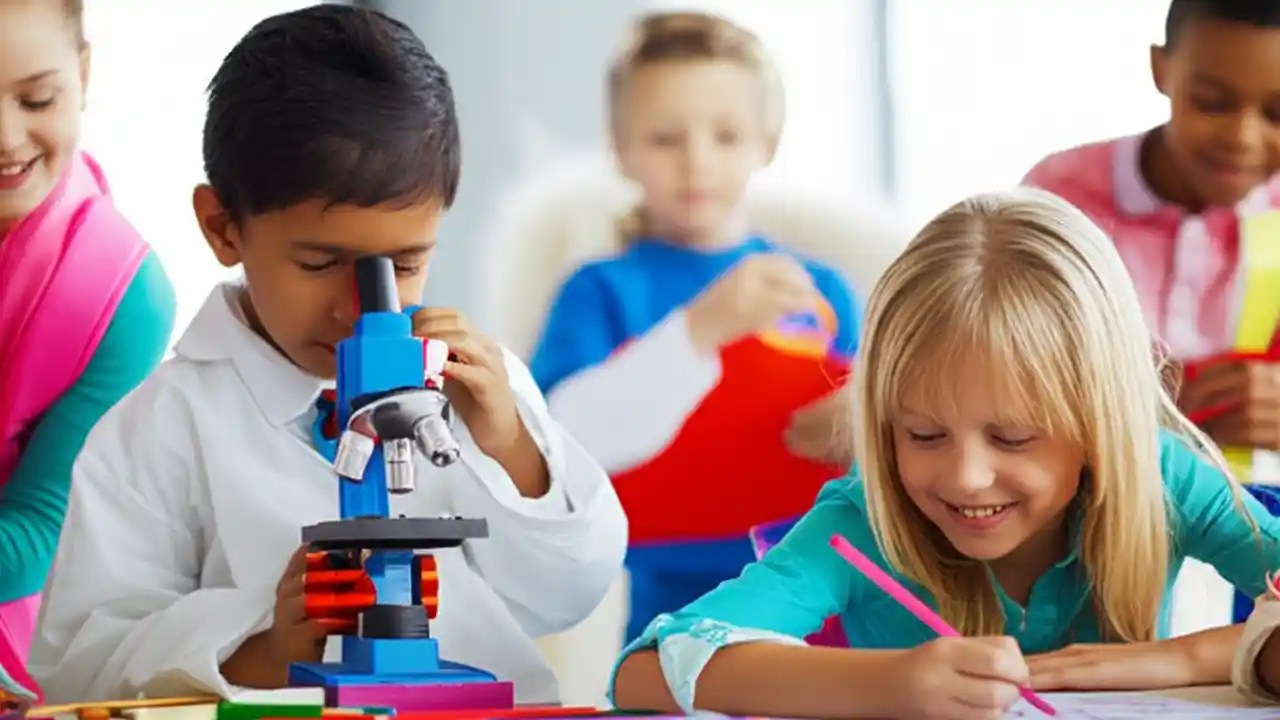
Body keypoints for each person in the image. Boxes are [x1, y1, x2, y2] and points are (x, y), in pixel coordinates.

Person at [28, 4, 626, 704]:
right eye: (319, 264)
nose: (360, 305)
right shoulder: (160, 428)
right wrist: (266, 646)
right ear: (223, 228)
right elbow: (81, 663)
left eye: (405, 264)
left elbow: (571, 592)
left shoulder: (477, 393)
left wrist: (510, 448)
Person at [608, 188, 1280, 720]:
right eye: (924, 436)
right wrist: (891, 685)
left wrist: (1180, 660)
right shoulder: (863, 520)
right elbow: (643, 673)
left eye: (1012, 437)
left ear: (1100, 425)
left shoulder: (1158, 477)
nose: (966, 476)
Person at [527, 11, 863, 643]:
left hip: (822, 595)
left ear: (768, 141)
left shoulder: (822, 289)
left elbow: (894, 436)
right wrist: (698, 329)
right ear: (620, 146)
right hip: (670, 607)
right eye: (664, 138)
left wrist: (857, 420)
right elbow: (555, 445)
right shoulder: (598, 290)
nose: (697, 162)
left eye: (726, 135)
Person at [1022, 0, 1280, 481]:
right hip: (1094, 497)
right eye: (1211, 101)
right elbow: (1010, 380)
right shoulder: (1060, 199)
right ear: (1161, 70)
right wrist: (1147, 411)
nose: (1242, 137)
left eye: (1278, 113)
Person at [0, 0, 175, 698]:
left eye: (36, 99)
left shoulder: (121, 295)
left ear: (82, 73)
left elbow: (39, 531)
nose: (6, 138)